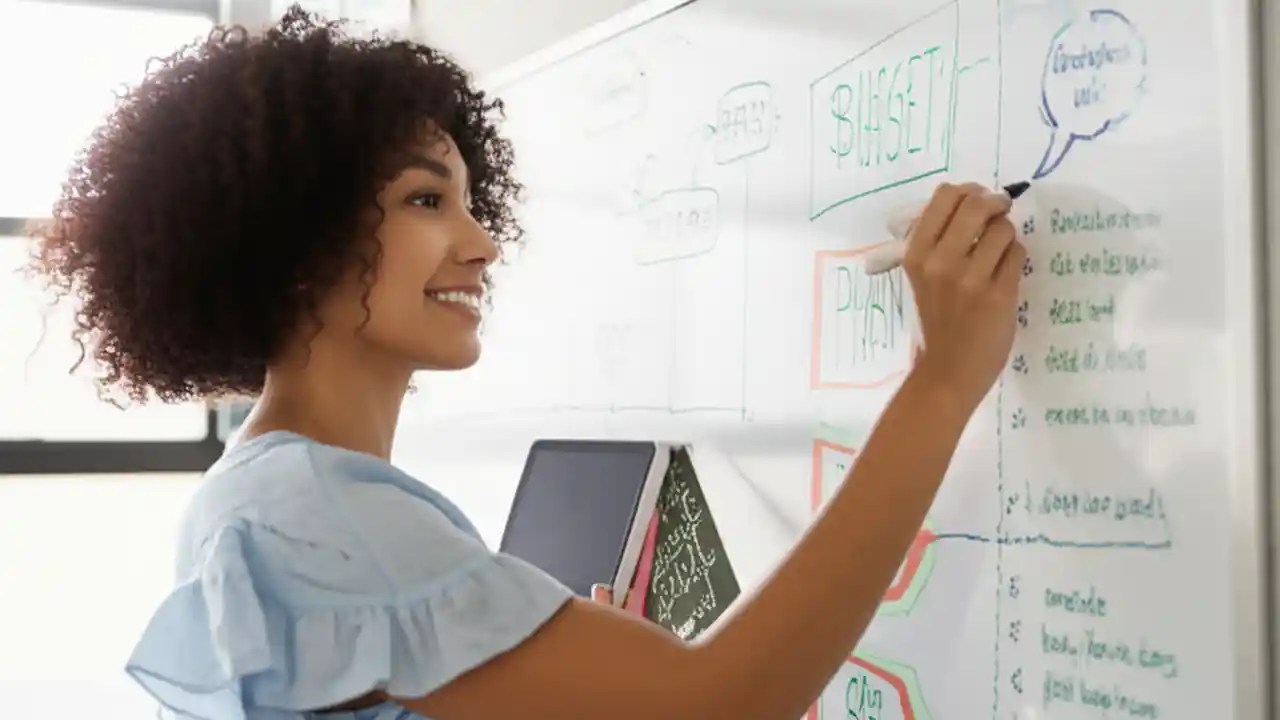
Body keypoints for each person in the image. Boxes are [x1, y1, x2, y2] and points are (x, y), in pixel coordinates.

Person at [29, 7, 1025, 720]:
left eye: (471, 202)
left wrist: (570, 674)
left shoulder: (270, 493)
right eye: (427, 201)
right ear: (296, 242)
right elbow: (723, 703)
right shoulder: (318, 512)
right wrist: (940, 385)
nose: (482, 243)